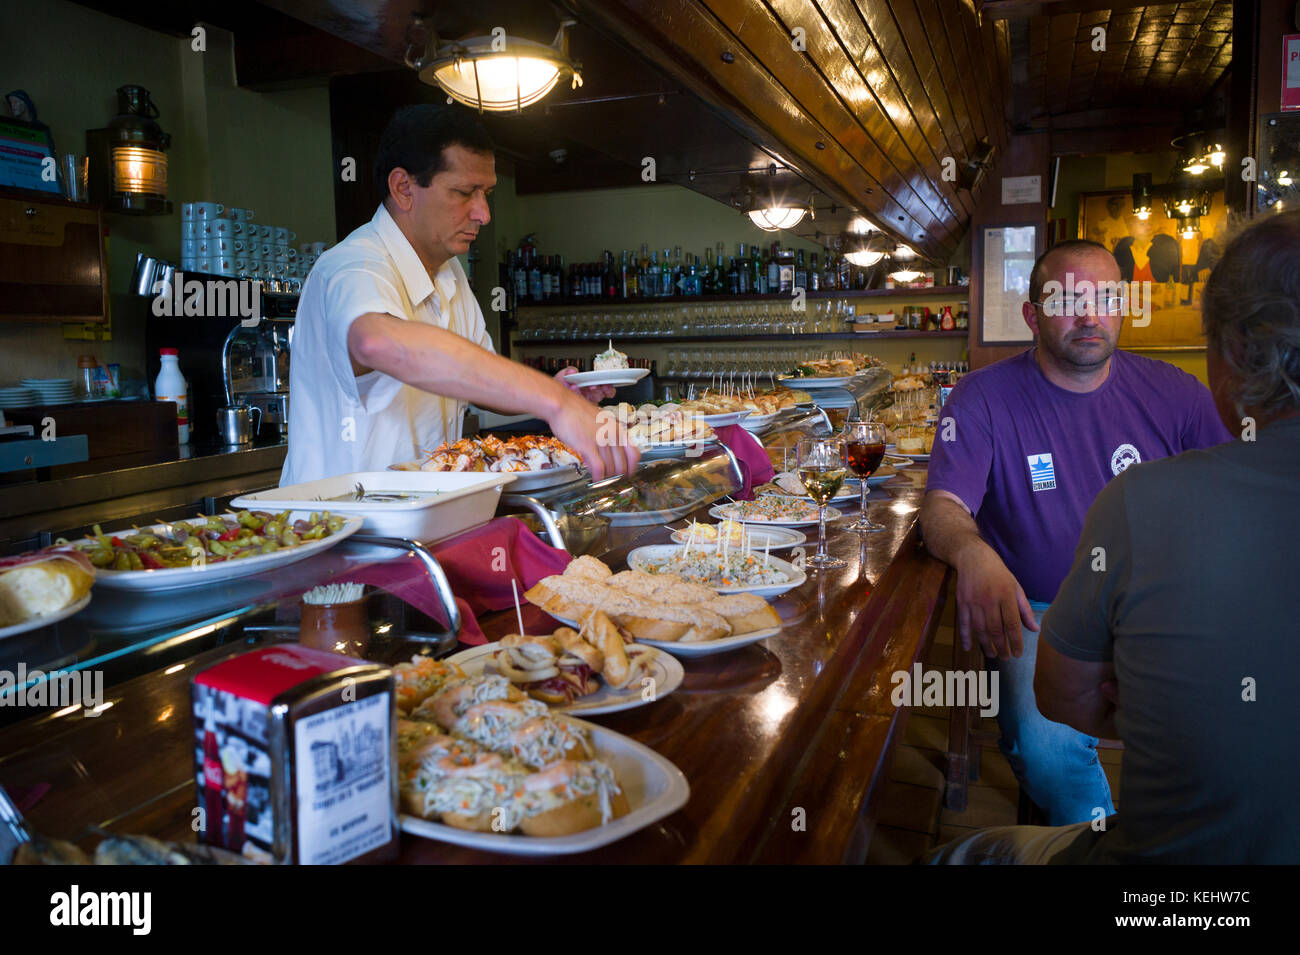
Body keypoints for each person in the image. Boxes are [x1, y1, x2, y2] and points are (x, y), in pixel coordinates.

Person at [926, 210, 1300, 864]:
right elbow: (944, 504)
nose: (1089, 314)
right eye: (1067, 301)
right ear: (1032, 315)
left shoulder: (1177, 392)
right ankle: (1105, 833)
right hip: (1037, 610)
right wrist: (971, 550)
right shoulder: (980, 397)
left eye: (1105, 298)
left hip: (1165, 610)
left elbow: (1240, 489)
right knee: (1047, 747)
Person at [282, 104, 637, 486]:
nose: (483, 214)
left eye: (486, 193)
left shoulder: (449, 271)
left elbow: (477, 374)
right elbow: (376, 342)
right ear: (403, 188)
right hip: (344, 528)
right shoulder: (355, 264)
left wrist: (555, 392)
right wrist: (555, 401)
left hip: (422, 523)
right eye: (464, 192)